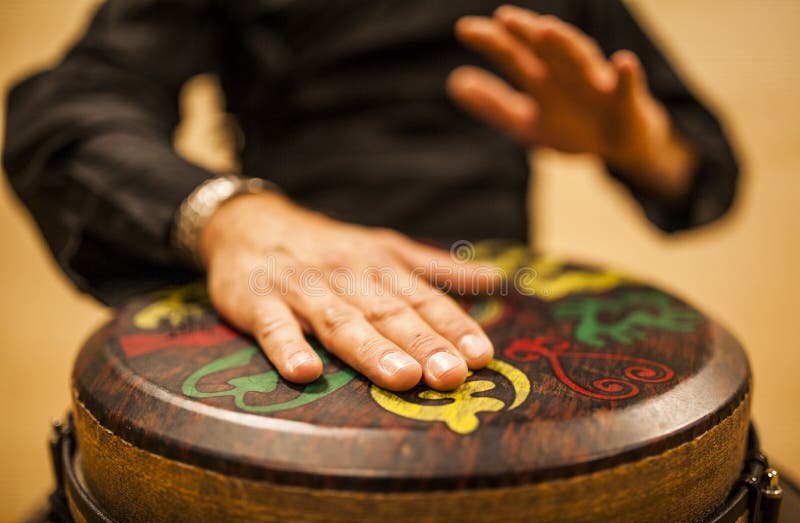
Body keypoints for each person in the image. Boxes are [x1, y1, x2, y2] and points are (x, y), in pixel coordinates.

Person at [3, 1, 738, 392]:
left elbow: (706, 175)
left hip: (493, 290)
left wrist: (636, 143)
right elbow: (60, 110)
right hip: (293, 293)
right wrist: (231, 217)